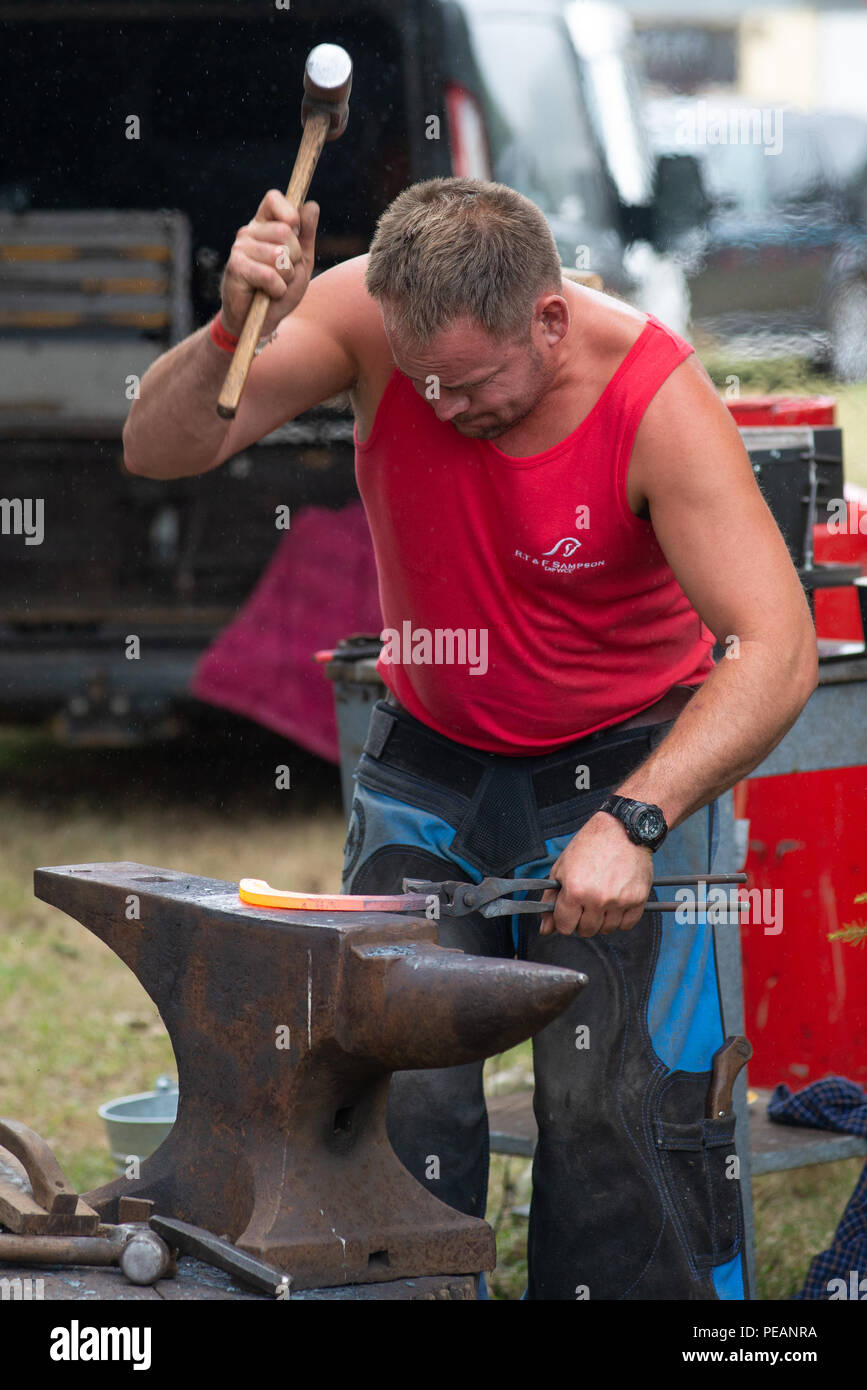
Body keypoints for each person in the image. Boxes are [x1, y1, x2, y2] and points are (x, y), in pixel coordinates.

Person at [124, 177, 817, 1300]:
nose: (444, 408)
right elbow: (156, 448)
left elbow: (776, 645)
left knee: (612, 1108)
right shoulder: (362, 314)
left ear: (550, 317)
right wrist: (230, 327)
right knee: (397, 1093)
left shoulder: (654, 395)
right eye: (424, 381)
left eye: (477, 384)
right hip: (430, 765)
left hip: (624, 760)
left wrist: (635, 820)